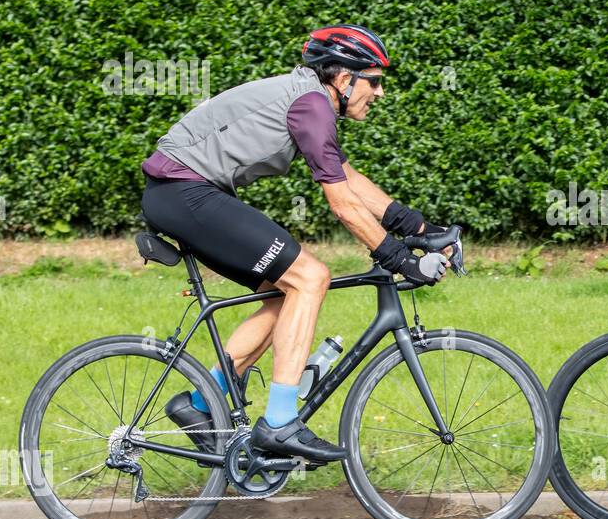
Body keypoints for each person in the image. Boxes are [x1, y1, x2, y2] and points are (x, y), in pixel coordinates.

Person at [139, 25, 449, 462]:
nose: (379, 93)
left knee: (283, 297)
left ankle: (199, 406)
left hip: (183, 194)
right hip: (184, 192)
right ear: (345, 79)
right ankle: (280, 423)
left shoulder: (310, 101)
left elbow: (350, 181)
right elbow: (341, 204)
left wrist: (418, 229)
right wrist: (398, 257)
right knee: (310, 277)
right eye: (374, 81)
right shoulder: (311, 105)